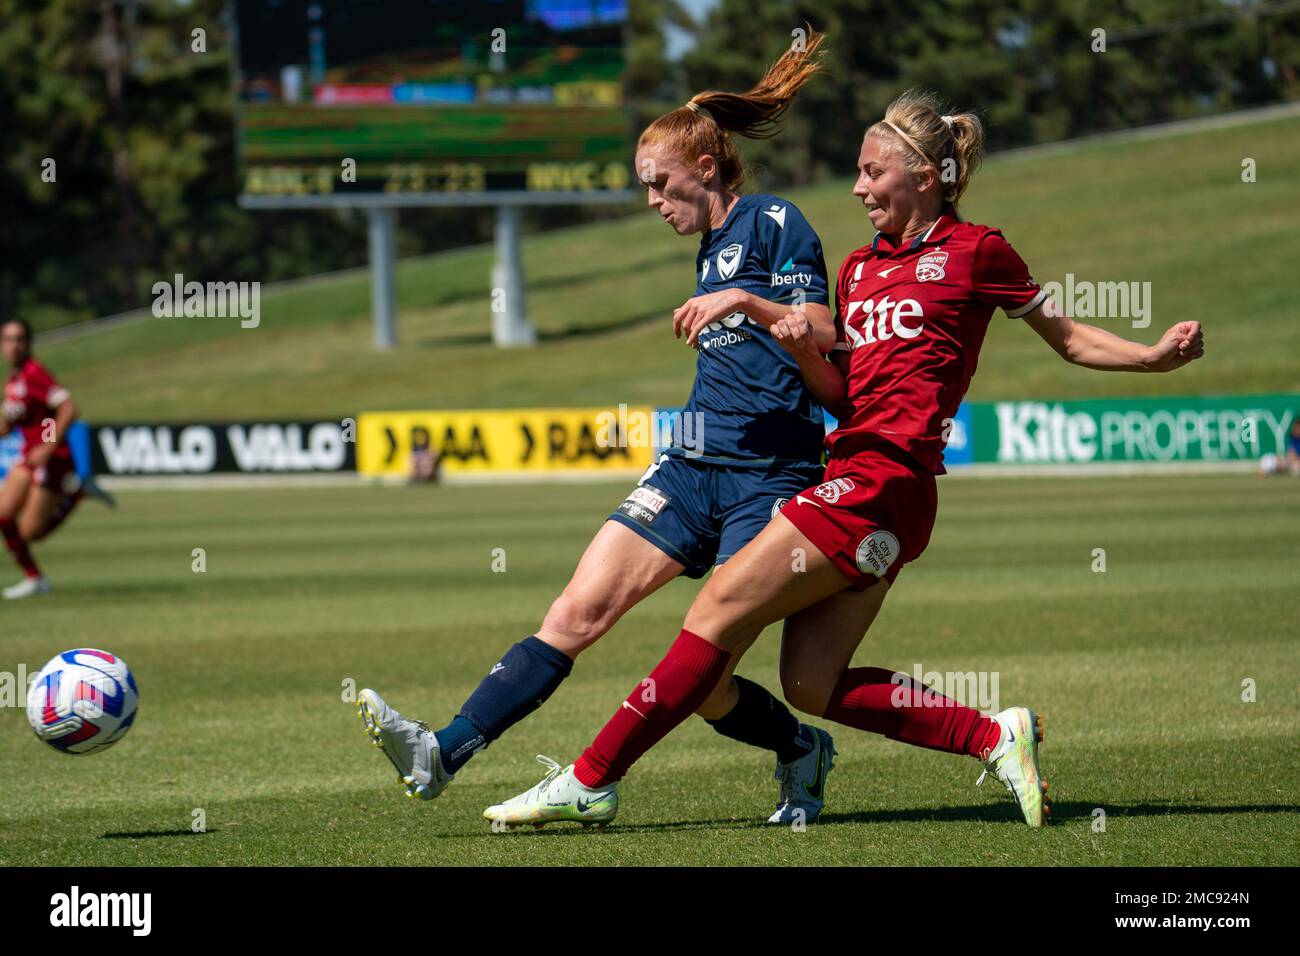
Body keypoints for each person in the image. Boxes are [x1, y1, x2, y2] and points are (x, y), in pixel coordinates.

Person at [483, 90, 1206, 830]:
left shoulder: (977, 250)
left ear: (925, 175)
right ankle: (993, 736)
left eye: (872, 172)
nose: (858, 189)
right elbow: (839, 392)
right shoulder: (858, 270)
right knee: (809, 682)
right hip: (855, 477)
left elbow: (1069, 337)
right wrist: (801, 350)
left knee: (716, 611)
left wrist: (1151, 357)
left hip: (886, 479)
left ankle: (591, 778)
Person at [357, 32, 846, 824]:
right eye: (645, 188)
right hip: (689, 466)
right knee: (573, 615)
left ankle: (798, 748)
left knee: (710, 677)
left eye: (660, 185)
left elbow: (820, 331)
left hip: (773, 474)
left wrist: (746, 304)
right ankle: (440, 751)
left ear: (707, 170)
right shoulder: (709, 243)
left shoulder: (771, 220)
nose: (653, 202)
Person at [0, 318, 112, 599]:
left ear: (28, 343)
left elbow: (67, 408)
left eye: (19, 339)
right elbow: (10, 425)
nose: (14, 345)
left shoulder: (35, 373)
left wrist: (49, 445)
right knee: (3, 516)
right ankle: (34, 578)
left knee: (30, 532)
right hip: (29, 456)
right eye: (8, 339)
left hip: (52, 458)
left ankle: (77, 493)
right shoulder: (13, 382)